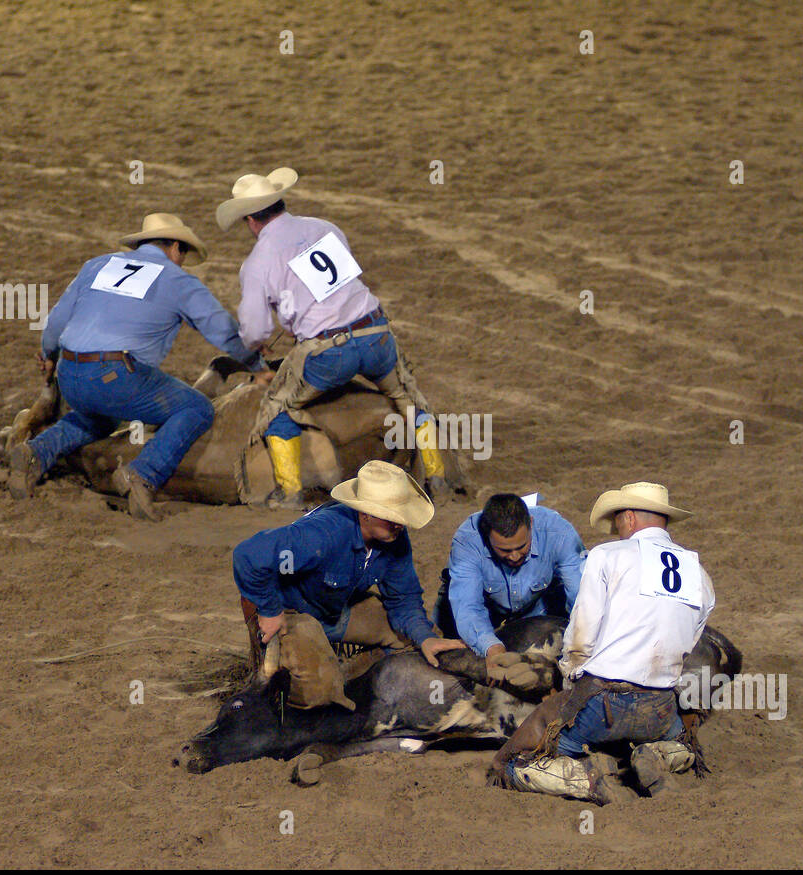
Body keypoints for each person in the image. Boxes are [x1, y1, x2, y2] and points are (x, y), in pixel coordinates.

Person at [9, 213, 270, 520]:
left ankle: (35, 452)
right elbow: (221, 329)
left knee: (102, 417)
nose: (182, 260)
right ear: (175, 247)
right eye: (183, 253)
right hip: (114, 377)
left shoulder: (97, 265)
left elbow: (56, 321)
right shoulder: (177, 280)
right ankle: (143, 475)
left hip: (69, 372)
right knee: (196, 409)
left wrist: (48, 354)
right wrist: (257, 364)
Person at [215, 167, 448, 509]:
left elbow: (255, 329)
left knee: (276, 406)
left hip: (326, 353)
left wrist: (259, 343)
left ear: (250, 220)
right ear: (280, 202)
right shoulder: (325, 228)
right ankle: (437, 476)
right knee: (409, 396)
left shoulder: (257, 262)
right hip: (376, 335)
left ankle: (290, 491)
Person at [495, 482, 715, 804]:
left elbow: (581, 634)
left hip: (603, 704)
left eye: (617, 522)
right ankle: (658, 755)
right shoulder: (700, 574)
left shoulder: (607, 555)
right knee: (686, 745)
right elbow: (688, 642)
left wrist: (571, 681)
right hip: (661, 708)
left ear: (628, 519)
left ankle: (587, 780)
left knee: (514, 763)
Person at [231, 460, 463, 705]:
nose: (399, 523)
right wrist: (268, 610)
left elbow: (403, 599)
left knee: (422, 643)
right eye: (390, 516)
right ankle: (304, 692)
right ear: (365, 512)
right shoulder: (323, 533)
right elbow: (248, 555)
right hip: (290, 610)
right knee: (318, 693)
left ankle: (345, 677)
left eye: (401, 516)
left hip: (334, 608)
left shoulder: (395, 539)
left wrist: (425, 637)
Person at [433, 494, 586, 685]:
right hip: (480, 611)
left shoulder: (559, 532)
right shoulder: (467, 540)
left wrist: (583, 641)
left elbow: (581, 595)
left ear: (531, 523)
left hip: (537, 604)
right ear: (486, 534)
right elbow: (467, 606)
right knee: (460, 673)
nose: (514, 556)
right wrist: (491, 647)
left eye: (522, 547)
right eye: (504, 550)